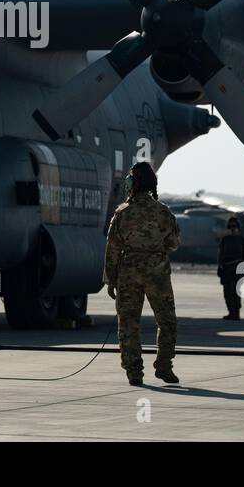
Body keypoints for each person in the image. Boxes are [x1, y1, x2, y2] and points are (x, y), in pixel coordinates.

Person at [104, 161, 180, 387]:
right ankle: (164, 366)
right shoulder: (163, 212)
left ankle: (134, 372)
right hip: (157, 273)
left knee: (128, 323)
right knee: (167, 321)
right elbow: (174, 243)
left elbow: (113, 249)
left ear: (134, 183)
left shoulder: (122, 213)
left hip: (129, 274)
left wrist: (110, 279)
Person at [217, 217, 244, 320]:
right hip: (227, 268)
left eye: (234, 226)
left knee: (236, 291)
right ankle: (231, 312)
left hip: (237, 267)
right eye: (230, 227)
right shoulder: (225, 239)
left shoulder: (241, 240)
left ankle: (236, 312)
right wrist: (219, 267)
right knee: (227, 292)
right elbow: (220, 254)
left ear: (238, 228)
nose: (232, 229)